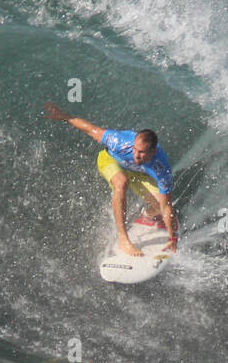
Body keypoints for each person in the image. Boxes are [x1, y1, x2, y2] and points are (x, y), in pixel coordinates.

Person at [43, 101, 178, 257]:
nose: (135, 155)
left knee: (163, 210)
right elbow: (90, 129)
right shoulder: (119, 142)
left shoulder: (161, 168)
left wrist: (172, 236)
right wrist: (64, 116)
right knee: (121, 183)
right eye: (135, 149)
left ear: (153, 151)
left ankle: (148, 215)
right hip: (110, 161)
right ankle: (123, 239)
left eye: (141, 152)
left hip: (137, 172)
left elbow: (167, 204)